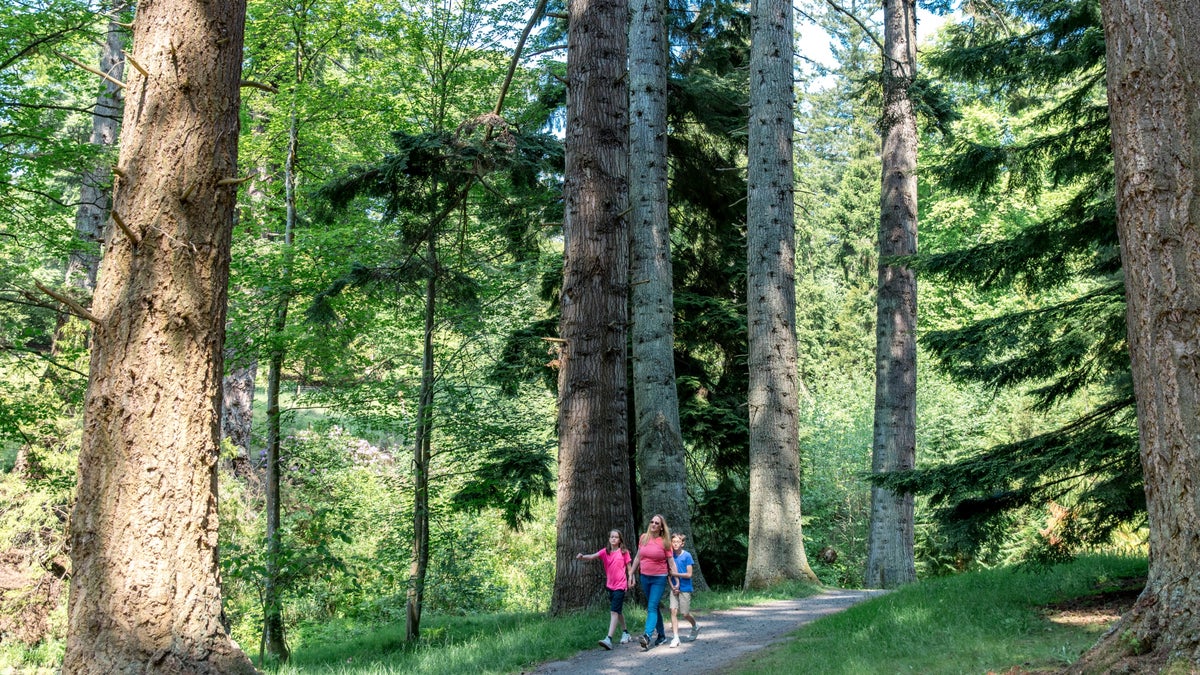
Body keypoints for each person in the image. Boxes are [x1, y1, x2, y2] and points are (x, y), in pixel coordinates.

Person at [628, 514, 678, 650]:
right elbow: (638, 557)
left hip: (659, 578)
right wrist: (631, 573)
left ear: (661, 527)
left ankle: (647, 636)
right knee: (654, 607)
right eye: (652, 522)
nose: (654, 524)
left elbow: (671, 562)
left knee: (651, 606)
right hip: (645, 577)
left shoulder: (665, 542)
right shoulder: (643, 538)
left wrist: (676, 580)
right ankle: (661, 636)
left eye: (657, 523)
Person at [576, 529, 633, 650]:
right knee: (618, 611)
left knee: (614, 612)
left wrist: (631, 579)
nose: (613, 539)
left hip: (620, 585)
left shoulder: (624, 552)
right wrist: (582, 557)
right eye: (612, 537)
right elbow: (592, 556)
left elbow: (629, 569)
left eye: (616, 537)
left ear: (620, 540)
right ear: (609, 539)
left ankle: (609, 639)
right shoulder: (605, 552)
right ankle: (626, 633)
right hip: (610, 586)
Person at [668, 533, 699, 647]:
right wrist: (673, 587)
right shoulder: (670, 556)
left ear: (682, 543)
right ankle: (676, 637)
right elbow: (668, 574)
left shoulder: (687, 556)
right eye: (673, 542)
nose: (675, 544)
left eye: (678, 542)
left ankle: (695, 626)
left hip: (685, 588)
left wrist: (675, 574)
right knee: (673, 610)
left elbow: (689, 574)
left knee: (685, 613)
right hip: (674, 588)